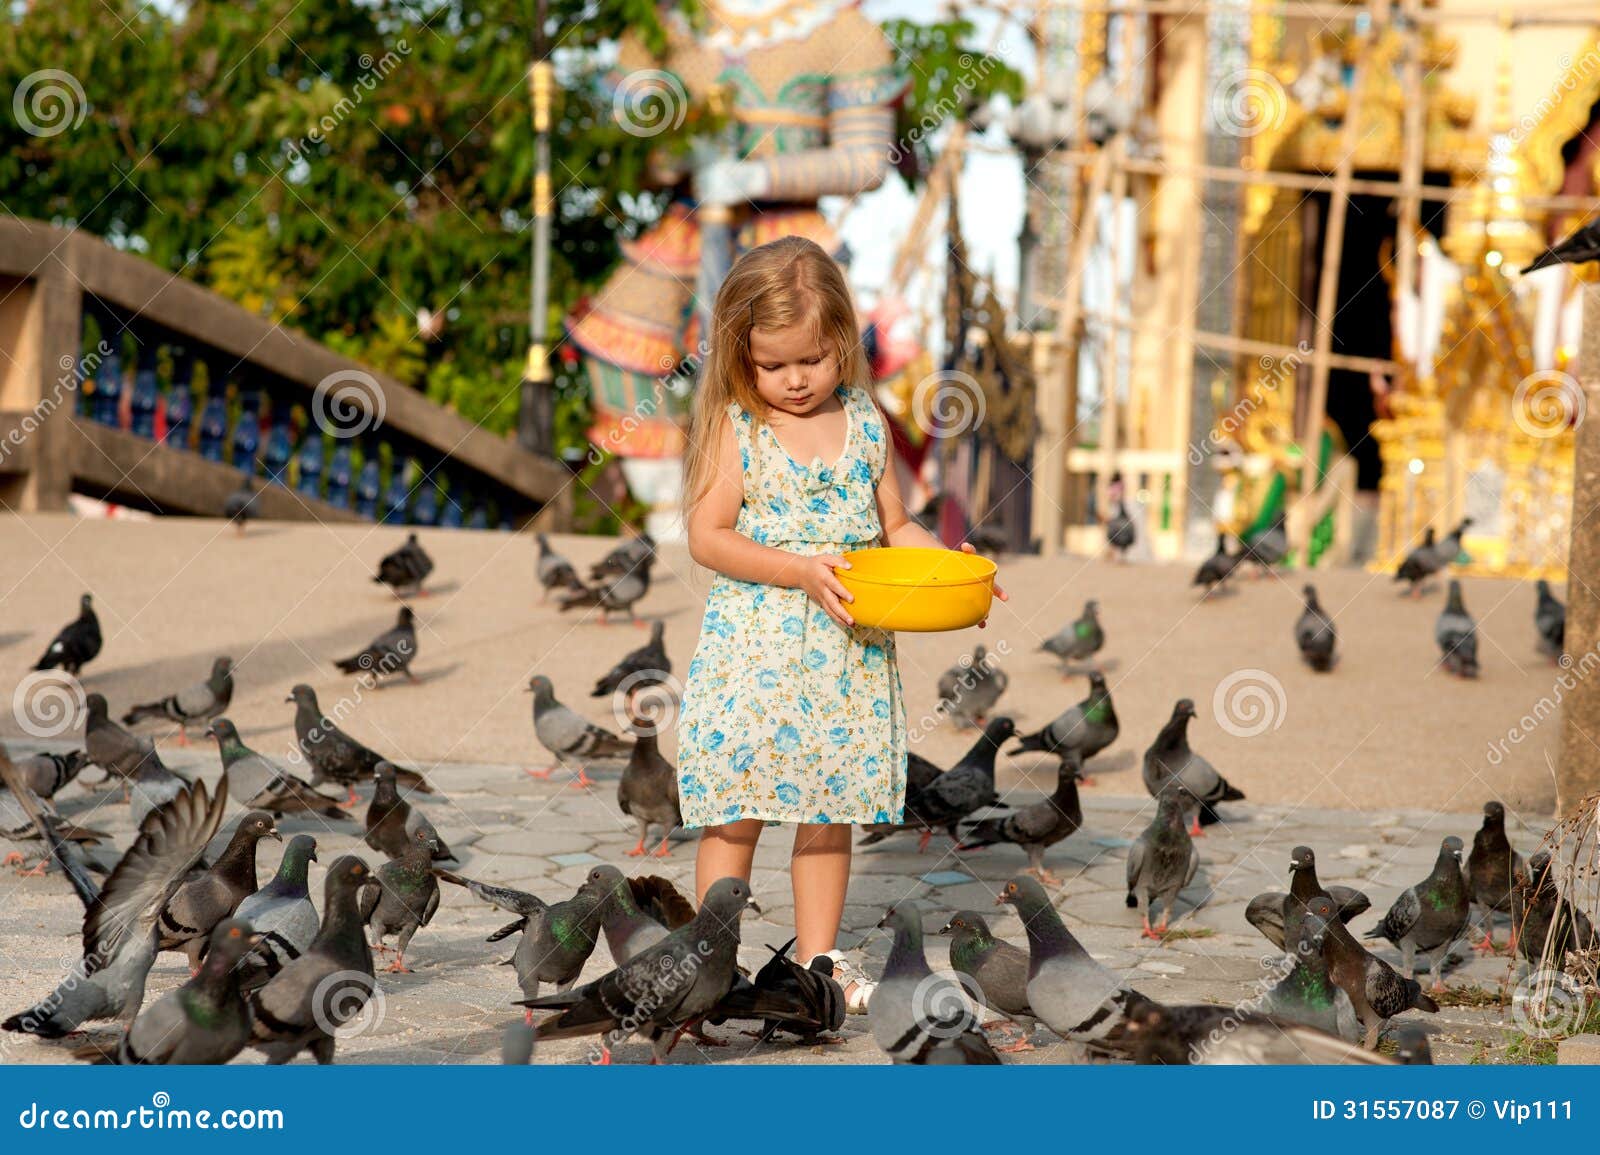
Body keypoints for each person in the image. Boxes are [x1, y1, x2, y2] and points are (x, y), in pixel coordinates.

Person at [675, 236, 1007, 1012]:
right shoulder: (741, 426)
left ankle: (819, 960)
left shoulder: (864, 422)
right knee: (736, 810)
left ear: (842, 346)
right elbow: (707, 534)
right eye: (773, 363)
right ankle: (708, 956)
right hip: (756, 647)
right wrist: (796, 567)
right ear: (740, 357)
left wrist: (951, 568)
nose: (795, 379)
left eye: (814, 359)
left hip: (844, 652)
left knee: (829, 810)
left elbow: (896, 523)